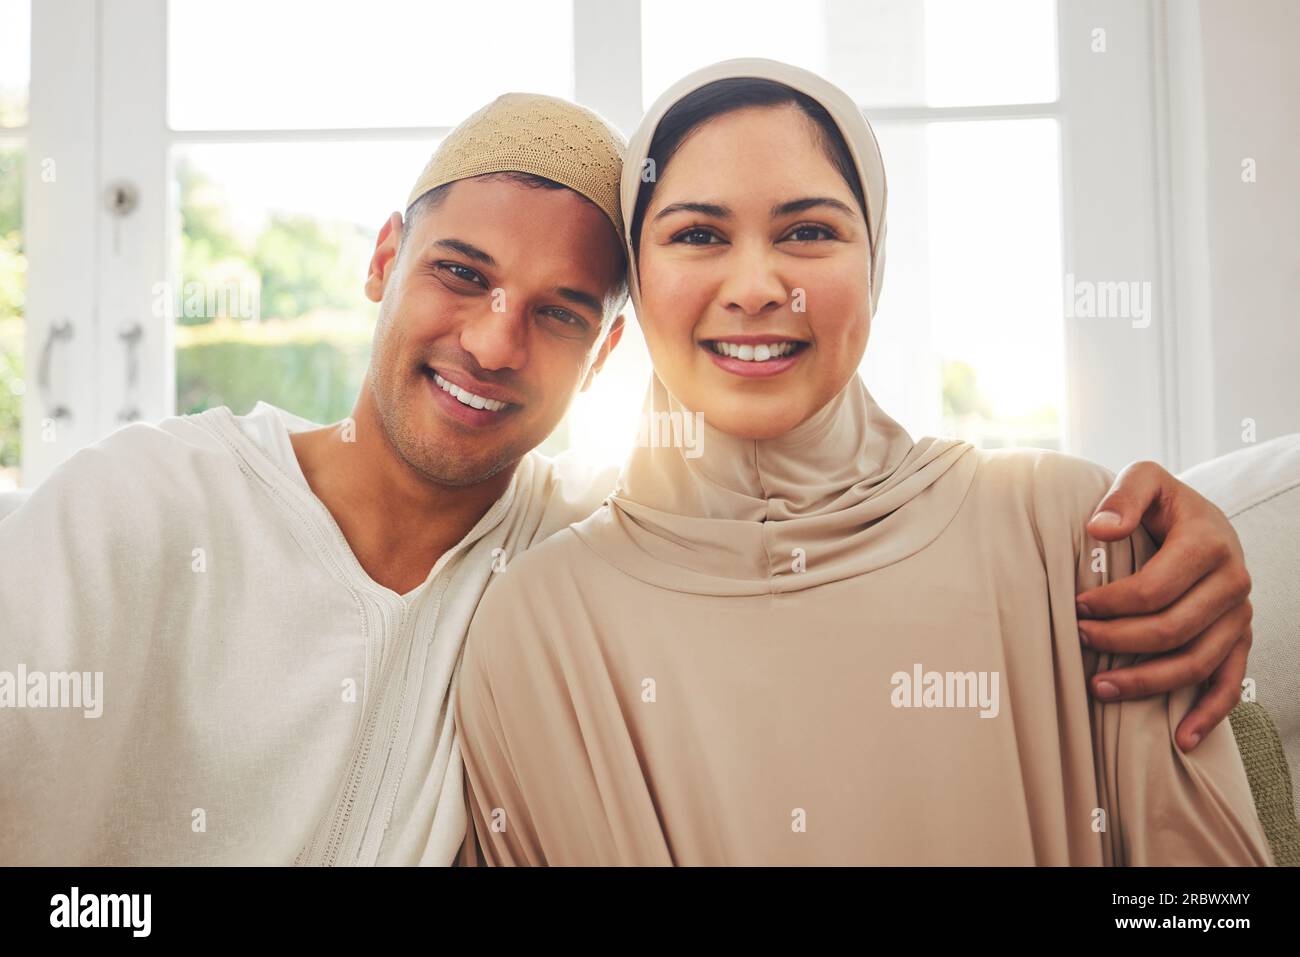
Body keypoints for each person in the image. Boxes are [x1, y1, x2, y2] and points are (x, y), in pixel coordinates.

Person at [0, 87, 1259, 867]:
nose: (494, 342)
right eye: (460, 272)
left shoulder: (561, 564)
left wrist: (1195, 522)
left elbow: (786, 514)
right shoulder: (148, 509)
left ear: (608, 349)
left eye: (557, 313)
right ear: (385, 258)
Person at [454, 60, 1272, 866]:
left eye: (808, 231)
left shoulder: (1075, 529)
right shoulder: (536, 625)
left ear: (874, 261)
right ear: (637, 278)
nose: (755, 286)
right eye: (697, 235)